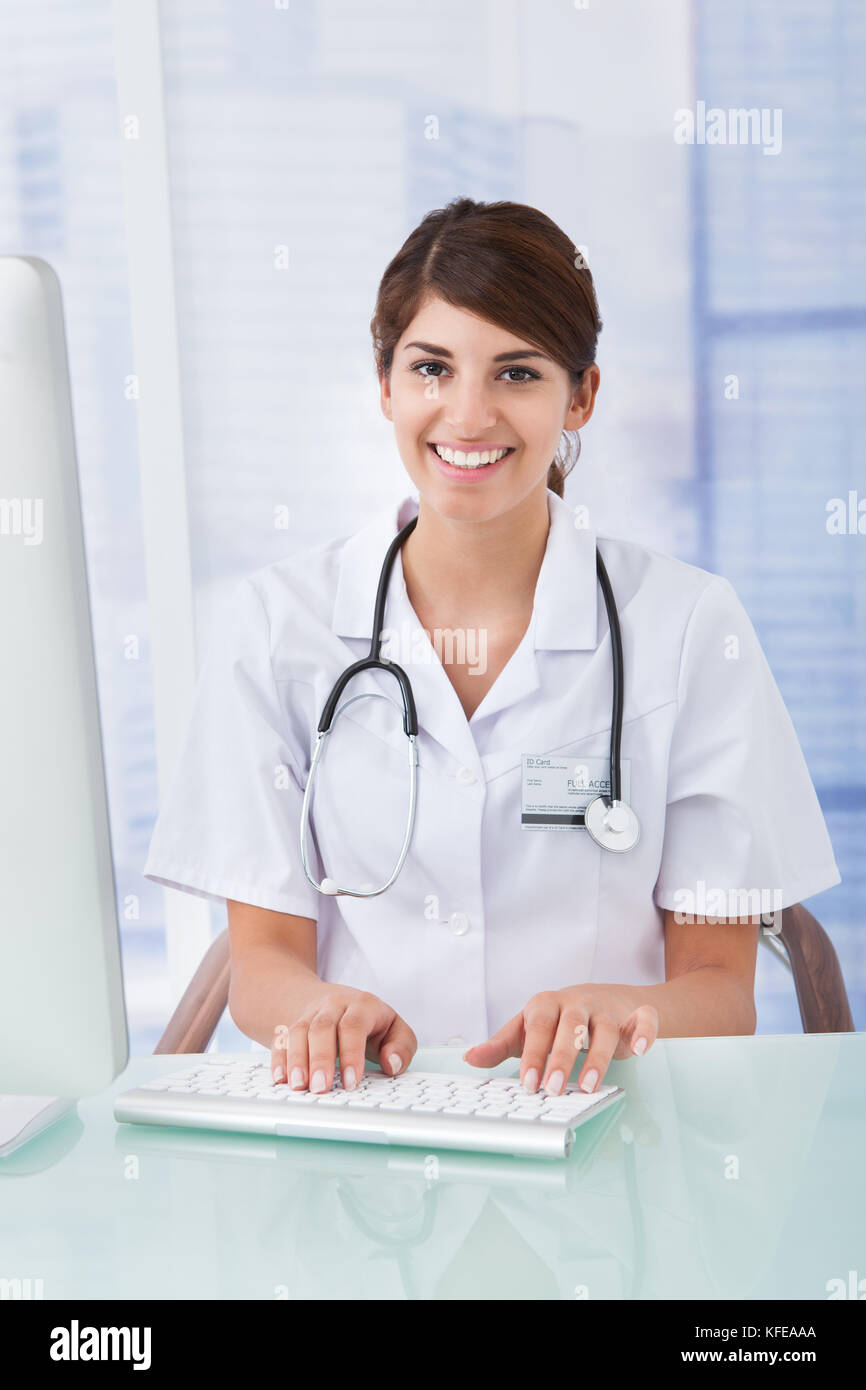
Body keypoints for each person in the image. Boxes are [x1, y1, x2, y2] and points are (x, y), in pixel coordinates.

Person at [143, 197, 840, 1101]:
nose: (468, 415)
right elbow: (264, 963)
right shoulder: (281, 624)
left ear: (580, 396)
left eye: (516, 373)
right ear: (386, 384)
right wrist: (317, 1011)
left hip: (608, 1127)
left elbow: (719, 990)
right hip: (362, 1128)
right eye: (432, 368)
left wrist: (622, 1012)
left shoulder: (689, 627)